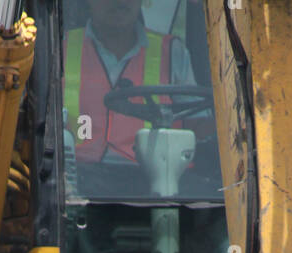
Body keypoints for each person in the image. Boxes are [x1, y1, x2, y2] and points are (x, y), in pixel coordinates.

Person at [63, 0, 198, 169]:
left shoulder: (173, 53)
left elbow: (200, 128)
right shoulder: (59, 48)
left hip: (155, 182)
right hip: (72, 180)